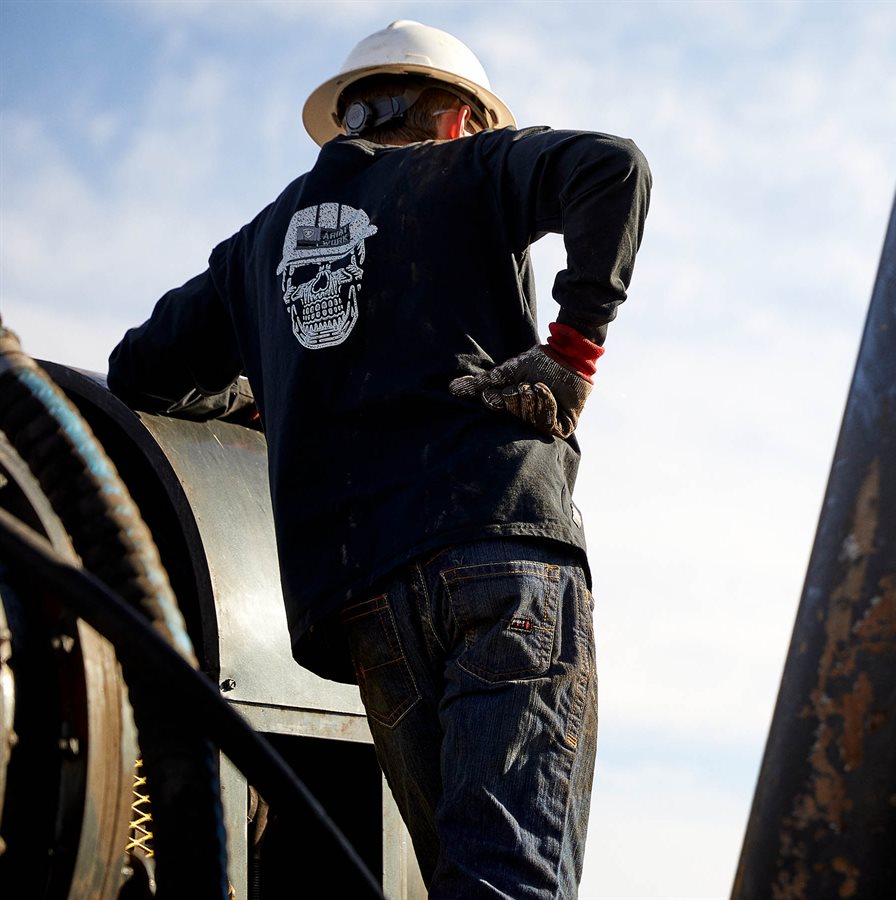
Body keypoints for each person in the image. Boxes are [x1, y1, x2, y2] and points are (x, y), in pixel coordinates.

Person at [107, 19, 651, 898]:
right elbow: (612, 167)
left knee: (464, 881)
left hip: (364, 605)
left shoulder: (258, 246)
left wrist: (255, 397)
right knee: (512, 878)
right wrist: (572, 351)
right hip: (496, 555)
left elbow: (139, 369)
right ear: (455, 119)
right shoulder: (471, 168)